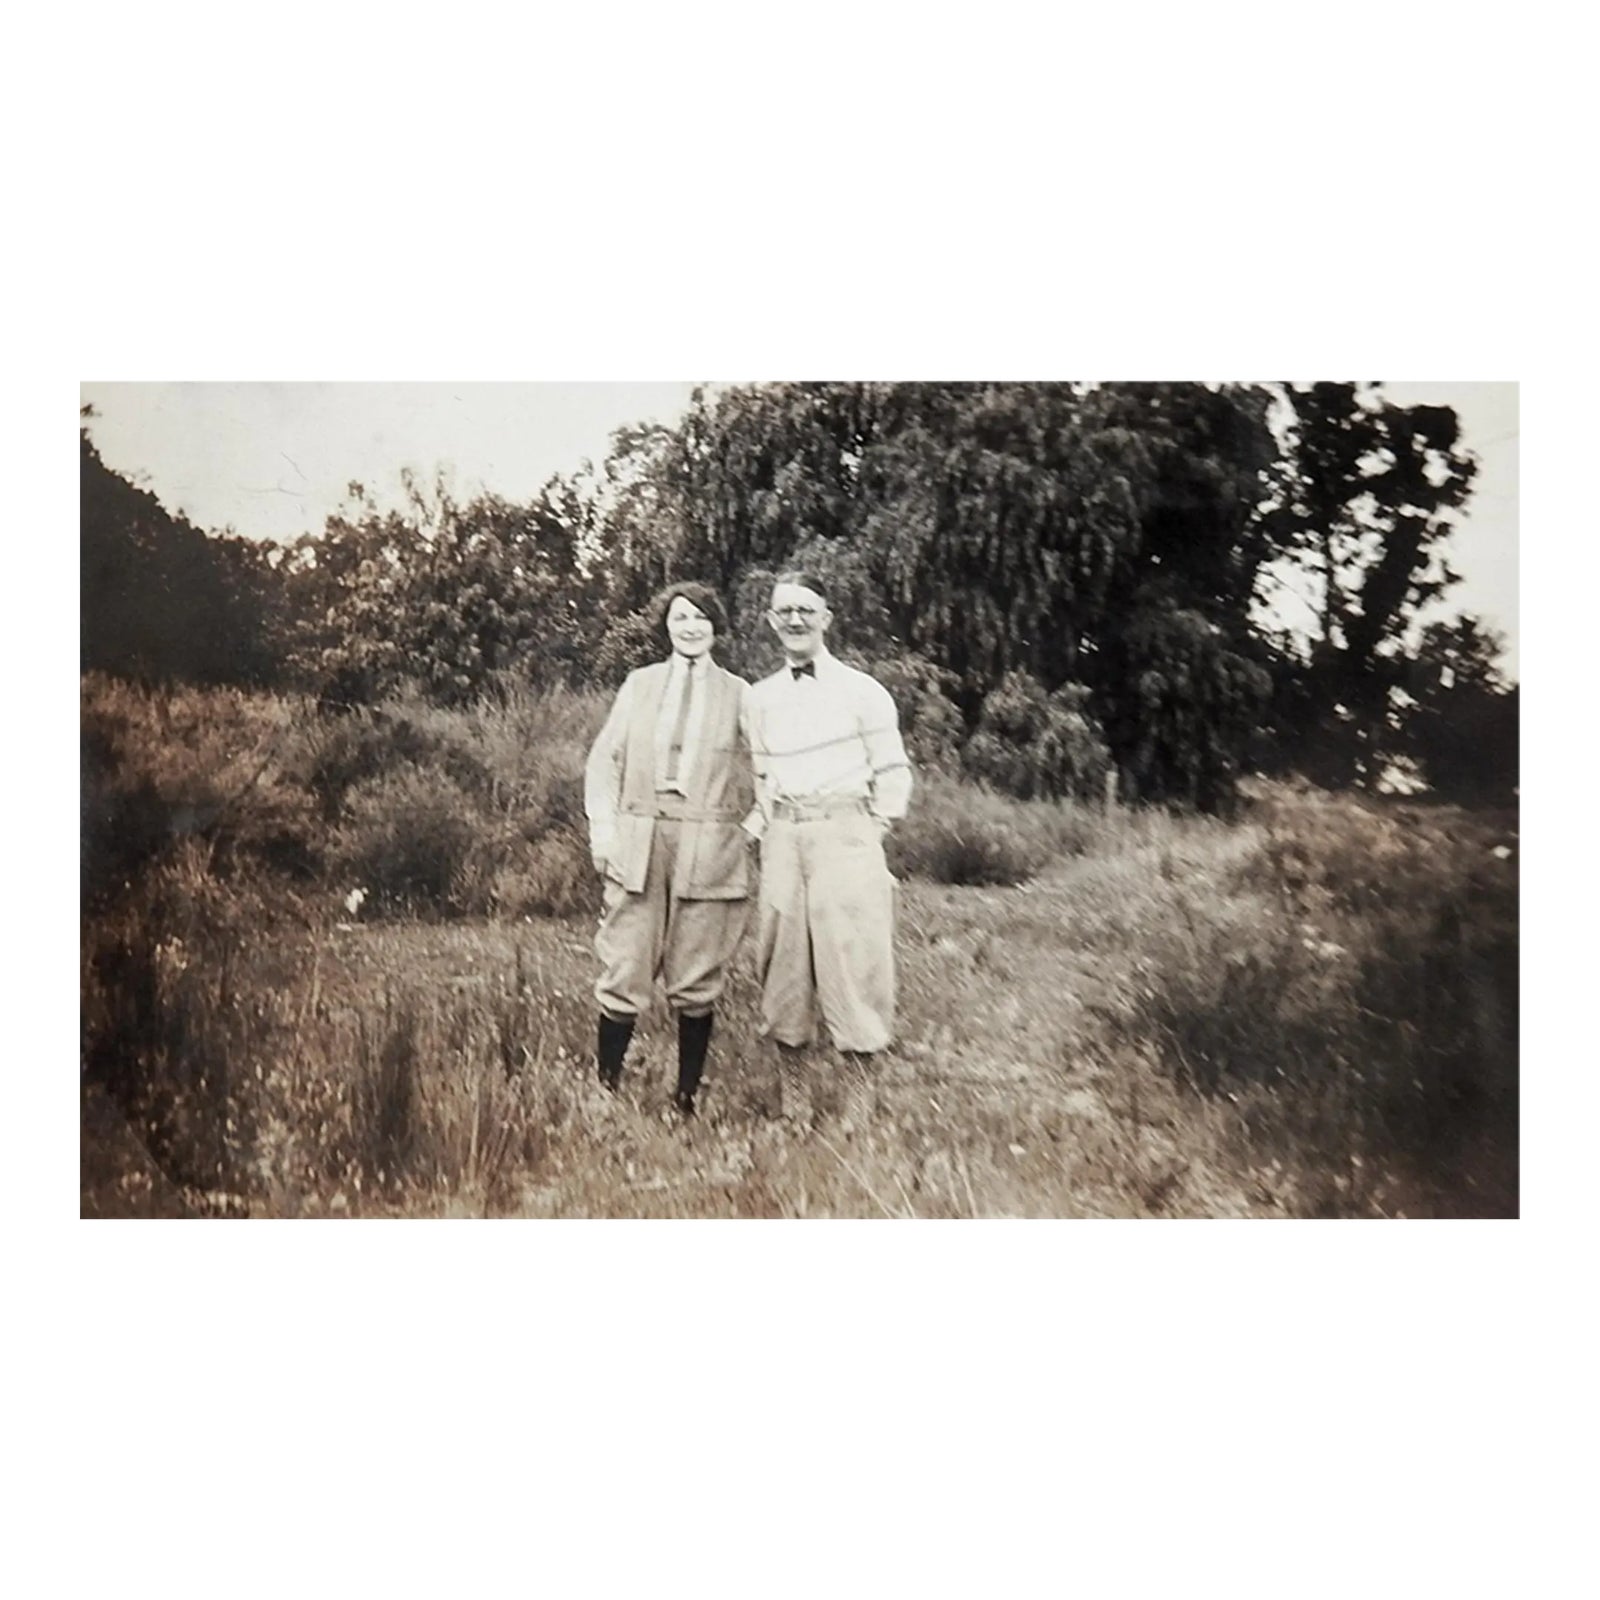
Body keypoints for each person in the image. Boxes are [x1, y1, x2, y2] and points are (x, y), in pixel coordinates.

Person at [583, 582, 758, 1117]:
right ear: (665, 624)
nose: (690, 626)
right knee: (625, 963)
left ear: (715, 626)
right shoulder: (640, 684)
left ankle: (685, 1100)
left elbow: (770, 767)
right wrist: (604, 831)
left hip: (709, 841)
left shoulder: (739, 693)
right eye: (681, 617)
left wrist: (750, 829)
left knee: (697, 972)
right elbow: (603, 761)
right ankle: (605, 1092)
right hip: (640, 837)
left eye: (701, 617)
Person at [743, 572, 913, 1119]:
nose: (795, 619)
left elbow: (892, 772)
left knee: (854, 958)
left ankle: (858, 1105)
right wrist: (763, 828)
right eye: (784, 611)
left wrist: (871, 833)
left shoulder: (865, 691)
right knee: (782, 961)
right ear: (771, 621)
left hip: (847, 833)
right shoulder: (760, 698)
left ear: (826, 619)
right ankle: (795, 1102)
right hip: (784, 837)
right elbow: (762, 777)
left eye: (806, 610)